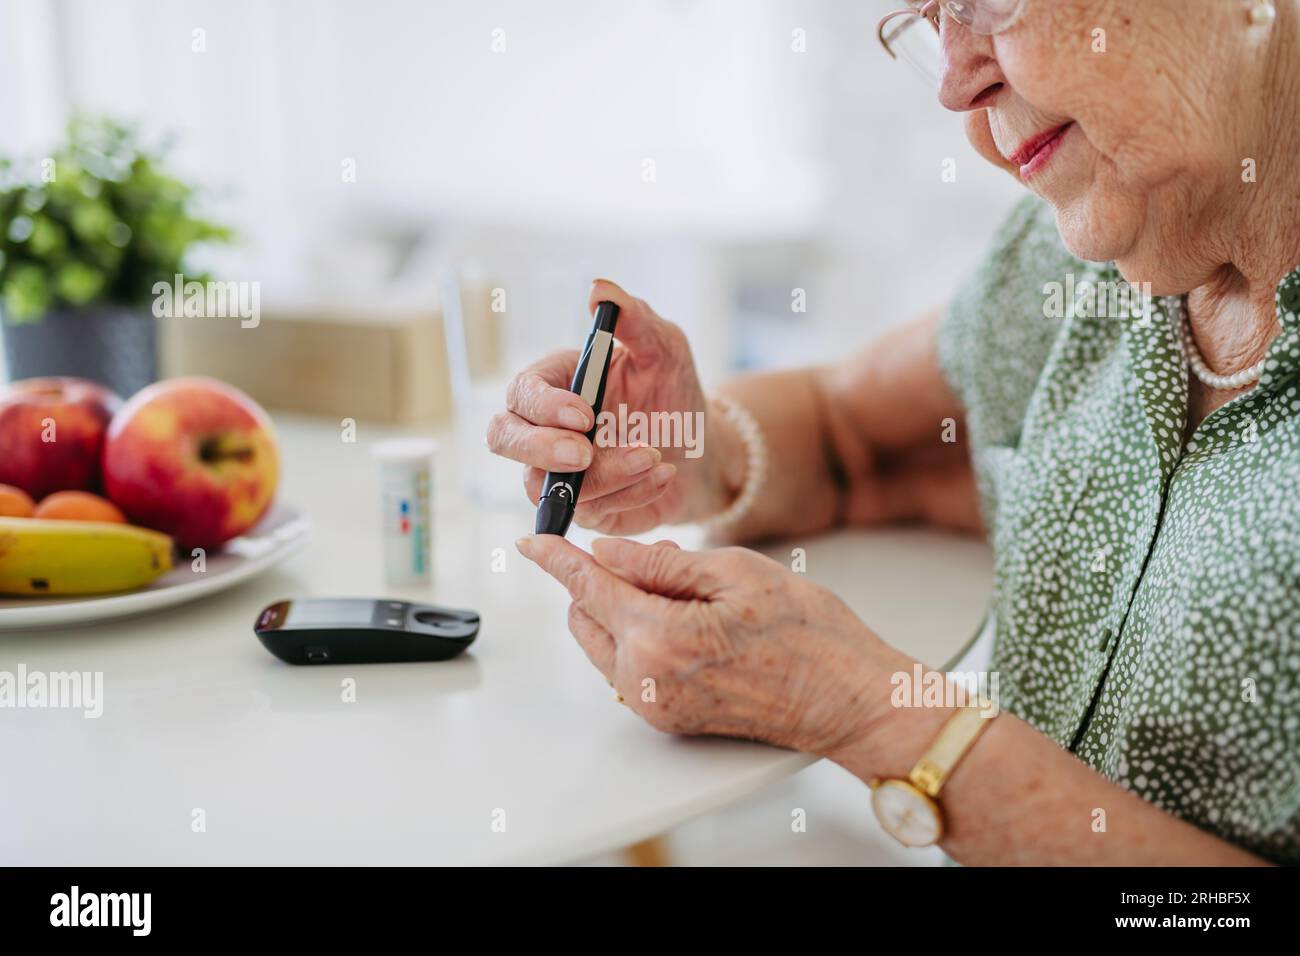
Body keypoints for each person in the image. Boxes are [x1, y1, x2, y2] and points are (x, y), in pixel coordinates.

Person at [487, 0, 1300, 864]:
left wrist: (862, 708)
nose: (953, 85)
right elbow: (851, 438)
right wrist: (692, 451)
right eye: (930, 19)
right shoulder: (1082, 246)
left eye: (986, 3)